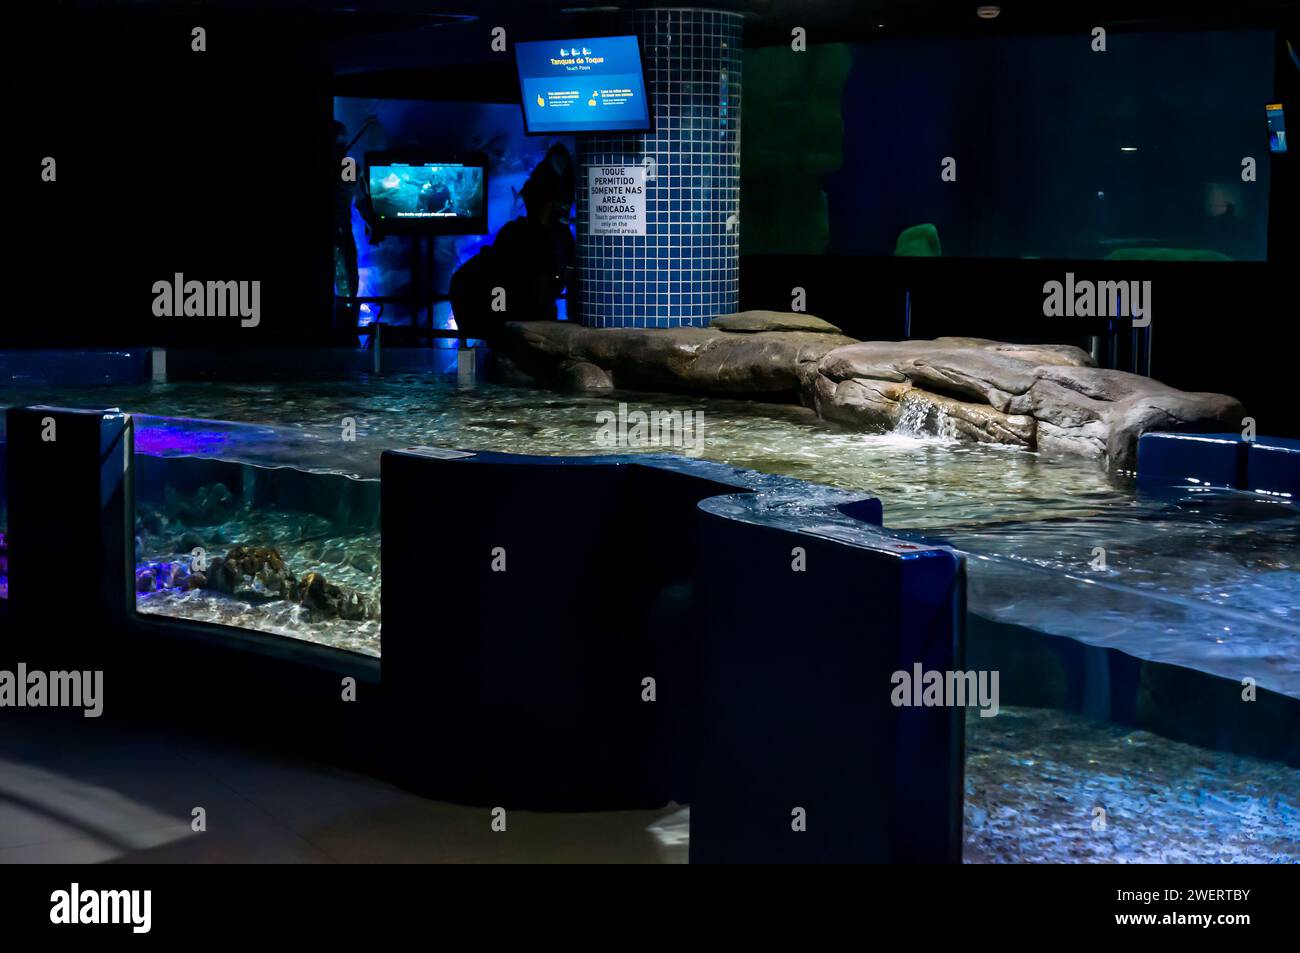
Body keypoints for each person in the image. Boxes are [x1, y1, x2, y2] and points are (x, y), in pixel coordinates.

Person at [450, 143, 576, 343]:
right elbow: (536, 296)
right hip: (516, 332)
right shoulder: (535, 238)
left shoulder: (516, 233)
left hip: (505, 327)